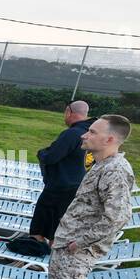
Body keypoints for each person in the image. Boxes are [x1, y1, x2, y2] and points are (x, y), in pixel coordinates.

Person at [21, 115, 135, 279]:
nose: (84, 135)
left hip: (78, 251)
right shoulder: (102, 164)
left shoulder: (115, 170)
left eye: (92, 132)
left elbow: (118, 216)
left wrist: (80, 242)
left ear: (110, 139)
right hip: (67, 245)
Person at [29, 101, 92, 241]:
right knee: (59, 227)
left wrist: (41, 153)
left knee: (39, 228)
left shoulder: (73, 134)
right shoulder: (91, 133)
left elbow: (51, 157)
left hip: (59, 188)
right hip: (78, 185)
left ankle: (36, 255)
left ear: (69, 112)